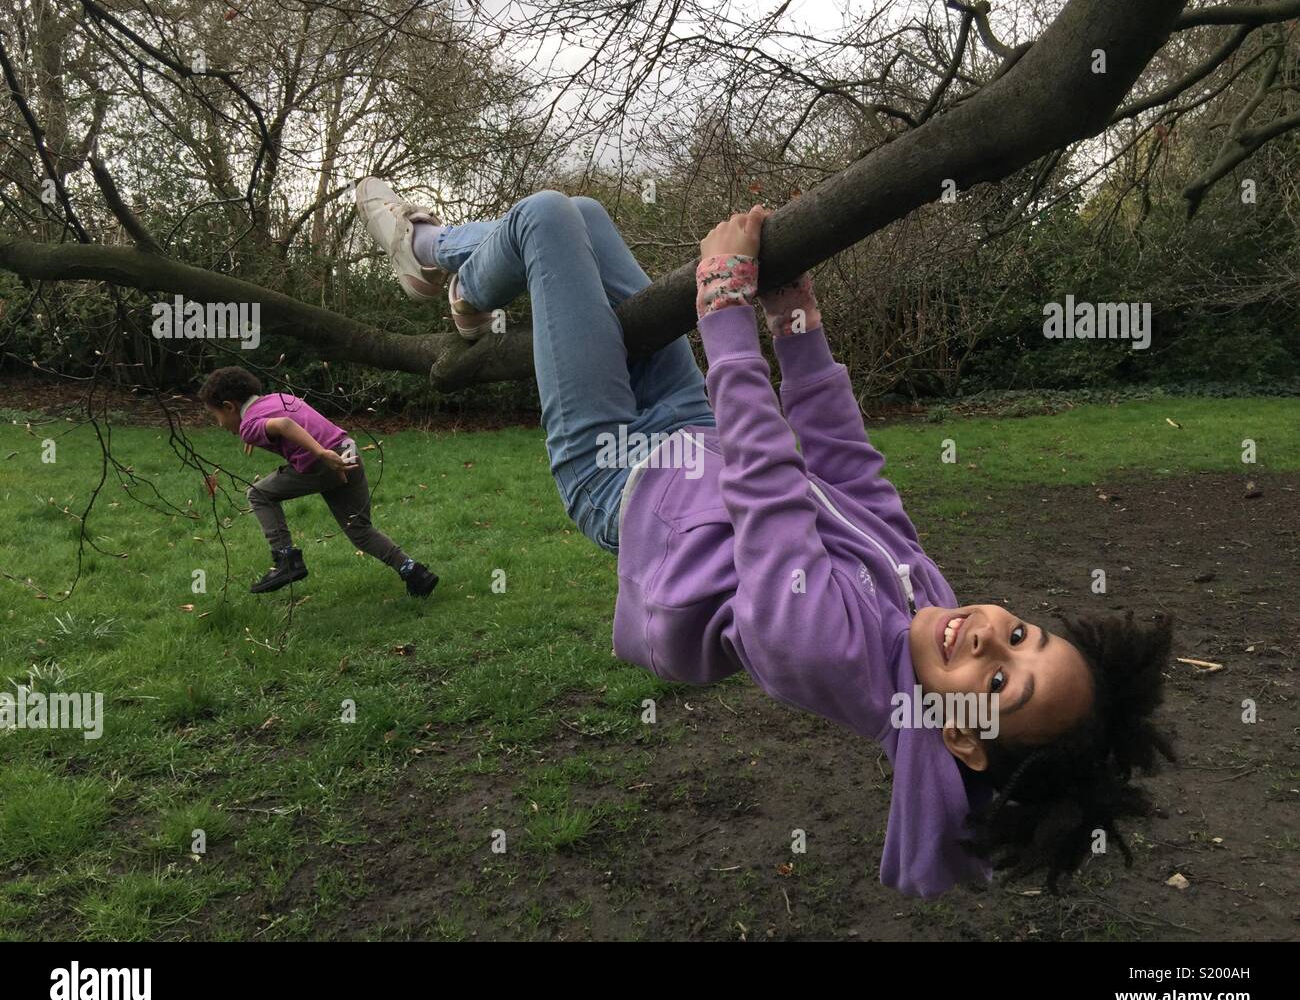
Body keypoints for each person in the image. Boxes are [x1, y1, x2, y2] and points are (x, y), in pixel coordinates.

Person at [355, 182, 1175, 897]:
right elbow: (851, 473)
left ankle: (427, 250)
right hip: (694, 431)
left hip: (617, 472)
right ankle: (466, 285)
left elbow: (770, 494)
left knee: (541, 219)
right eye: (1025, 634)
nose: (993, 635)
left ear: (956, 732)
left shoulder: (829, 656)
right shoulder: (932, 607)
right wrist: (797, 323)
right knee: (586, 214)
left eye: (998, 682)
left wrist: (724, 308)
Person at [199, 365, 439, 598]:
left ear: (229, 407)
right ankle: (415, 572)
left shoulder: (250, 425)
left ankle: (286, 559)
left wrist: (321, 453)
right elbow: (290, 418)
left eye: (216, 415)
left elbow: (284, 424)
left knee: (258, 494)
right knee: (360, 529)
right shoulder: (276, 398)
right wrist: (258, 433)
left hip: (324, 463)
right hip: (347, 452)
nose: (219, 424)